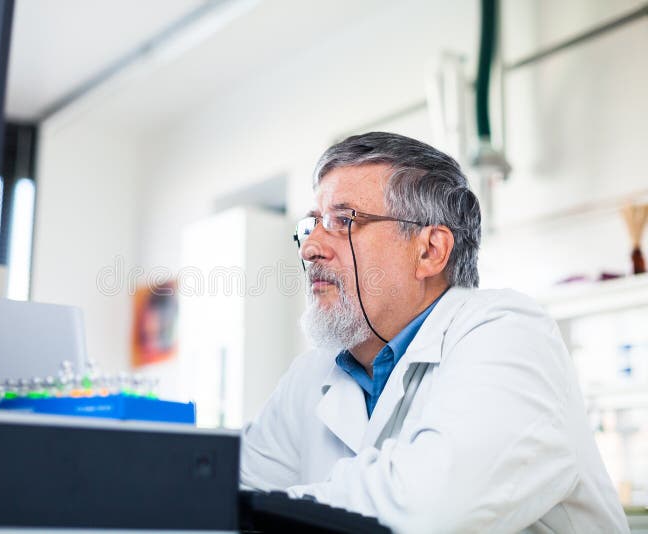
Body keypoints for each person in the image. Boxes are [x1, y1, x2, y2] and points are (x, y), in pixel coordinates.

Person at [240, 132, 628, 533]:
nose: (310, 248)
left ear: (429, 251)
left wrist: (269, 511)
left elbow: (430, 511)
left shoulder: (509, 333)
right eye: (314, 224)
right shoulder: (310, 375)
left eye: (343, 221)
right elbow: (222, 503)